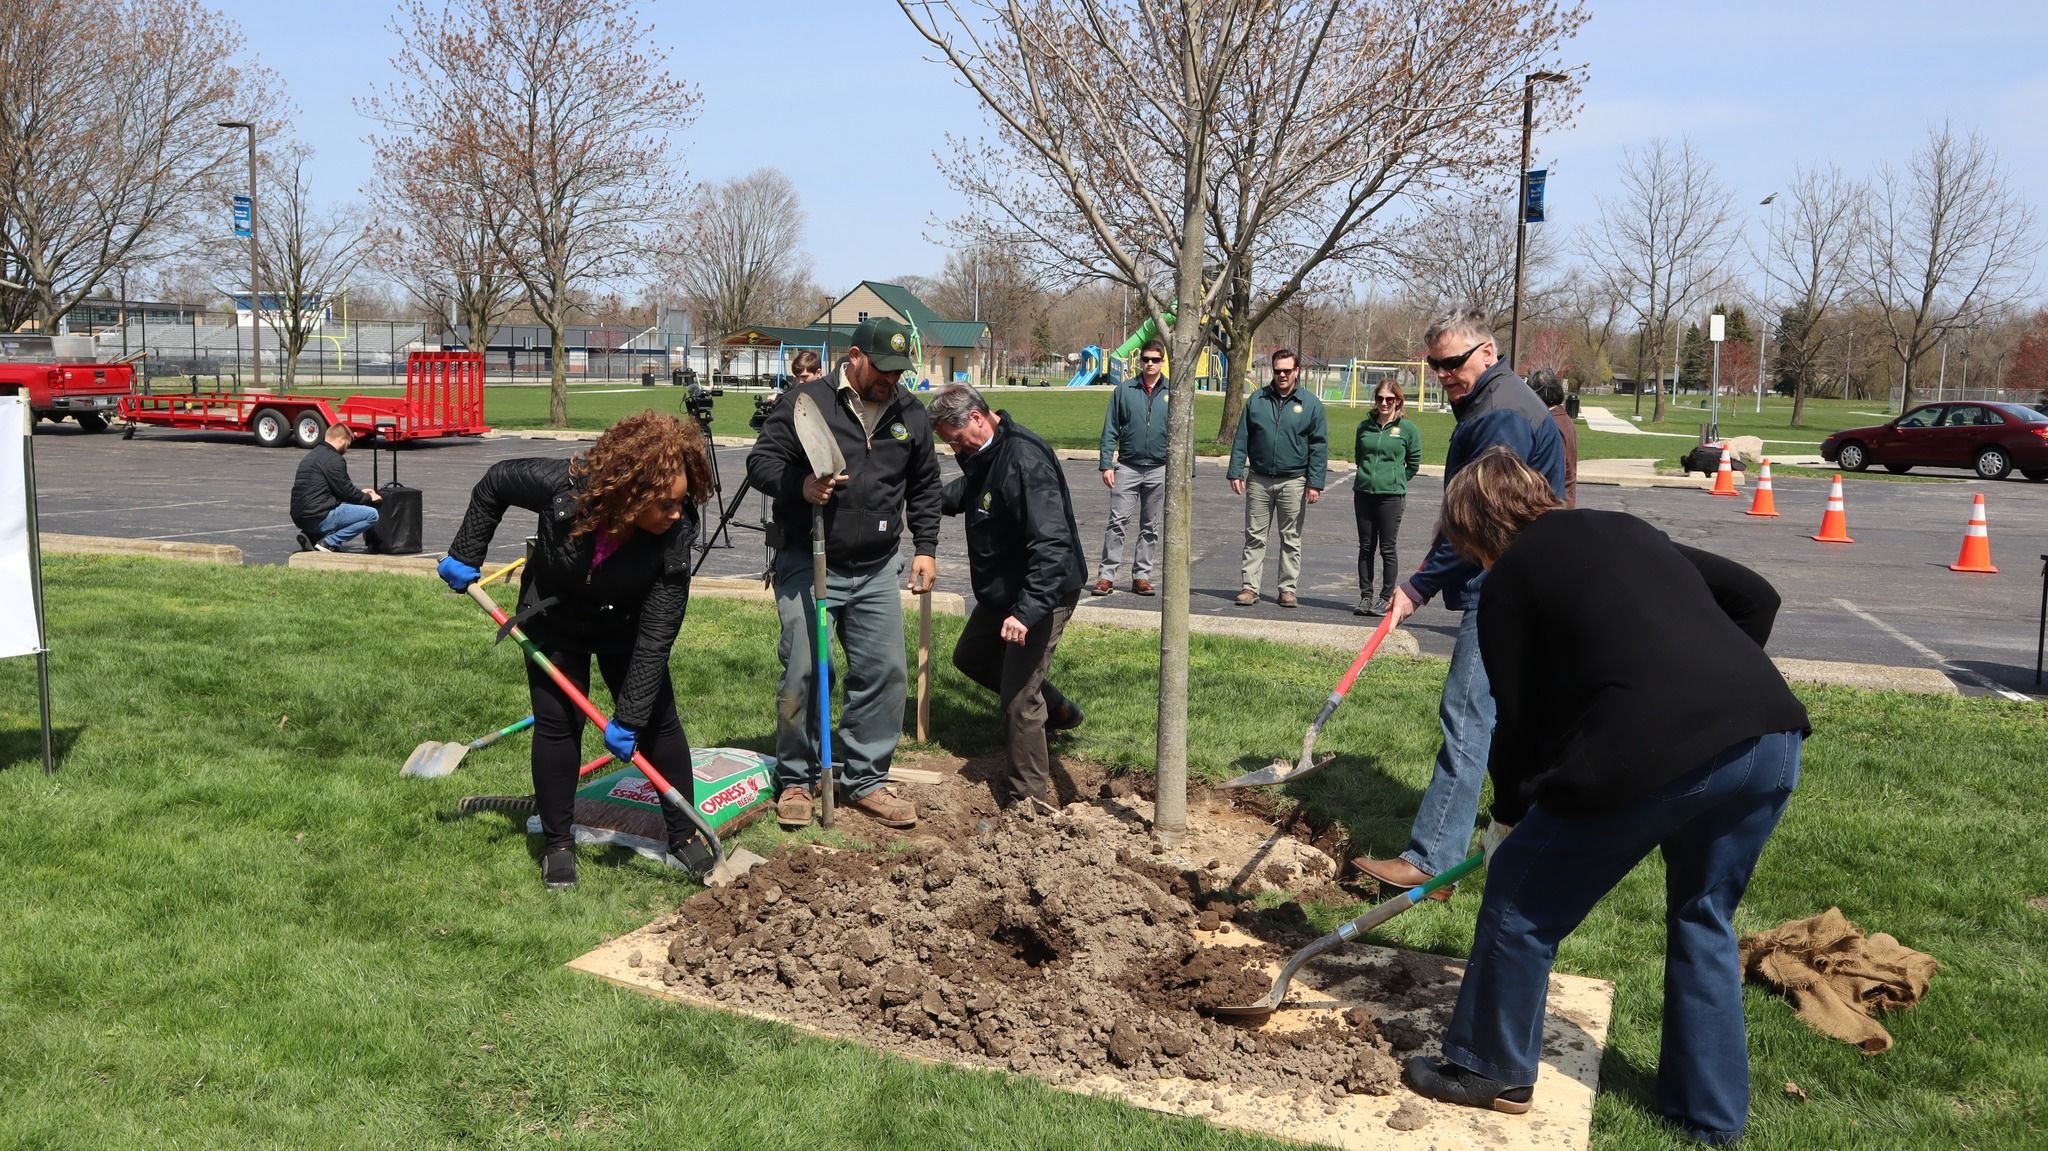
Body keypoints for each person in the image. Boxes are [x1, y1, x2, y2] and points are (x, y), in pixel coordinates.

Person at [1401, 448, 1807, 1147]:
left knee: (1519, 900)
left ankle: (1488, 1067)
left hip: (1658, 751)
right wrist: (1714, 687)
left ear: (1475, 529)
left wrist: (1507, 818)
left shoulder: (1508, 582)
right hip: (1770, 737)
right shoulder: (1627, 529)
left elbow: (1518, 722)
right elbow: (1755, 598)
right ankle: (1706, 1117)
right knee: (1703, 915)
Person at [434, 411, 716, 890]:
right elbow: (497, 481)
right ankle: (558, 844)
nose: (677, 512)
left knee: (658, 724)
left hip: (624, 626)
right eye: (666, 503)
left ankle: (684, 835)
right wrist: (466, 552)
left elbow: (657, 634)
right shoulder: (568, 488)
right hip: (554, 619)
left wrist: (628, 715)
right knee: (558, 725)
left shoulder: (675, 536)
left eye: (681, 501)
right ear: (631, 494)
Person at [1354, 310, 1565, 897]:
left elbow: (1491, 518)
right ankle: (1522, 829)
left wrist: (1418, 584)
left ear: (1488, 352)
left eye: (1454, 362)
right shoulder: (1496, 400)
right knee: (1504, 722)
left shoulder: (1501, 413)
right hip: (1520, 580)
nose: (1444, 374)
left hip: (1505, 586)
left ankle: (1432, 861)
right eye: (1435, 365)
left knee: (1468, 717)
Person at [746, 316, 941, 831]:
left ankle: (865, 779)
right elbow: (761, 462)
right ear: (854, 356)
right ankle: (797, 778)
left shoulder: (909, 412)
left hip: (877, 566)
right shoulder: (805, 403)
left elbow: (924, 485)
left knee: (885, 673)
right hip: (810, 560)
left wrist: (926, 548)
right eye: (883, 368)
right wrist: (801, 485)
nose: (891, 380)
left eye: (900, 371)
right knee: (806, 673)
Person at [930, 384, 1088, 810]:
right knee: (973, 656)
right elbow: (974, 490)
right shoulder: (985, 454)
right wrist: (930, 500)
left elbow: (1053, 546)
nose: (953, 448)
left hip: (1043, 591)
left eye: (956, 438)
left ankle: (1029, 806)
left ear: (978, 418)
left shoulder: (1025, 460)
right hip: (1006, 589)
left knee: (1018, 700)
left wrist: (1027, 611)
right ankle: (1059, 711)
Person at [1226, 348, 1328, 608]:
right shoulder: (1257, 400)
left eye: (1287, 370)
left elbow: (1318, 446)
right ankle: (1250, 587)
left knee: (1291, 537)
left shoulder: (1310, 404)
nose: (1282, 375)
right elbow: (1242, 438)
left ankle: (1287, 589)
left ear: (1297, 371)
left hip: (1293, 481)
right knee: (1254, 536)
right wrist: (1236, 470)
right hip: (1259, 479)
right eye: (1277, 370)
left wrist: (1315, 482)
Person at [1091, 338, 1170, 597]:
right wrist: (1106, 464)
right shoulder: (1124, 390)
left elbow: (1184, 432)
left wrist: (1185, 471)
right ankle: (1106, 576)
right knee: (1117, 522)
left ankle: (1141, 577)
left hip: (1159, 468)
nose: (1150, 364)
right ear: (1140, 361)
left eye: (1155, 359)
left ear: (1162, 361)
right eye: (1146, 359)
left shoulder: (1173, 392)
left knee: (1151, 526)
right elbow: (1110, 429)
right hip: (1127, 466)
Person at [1351, 380, 1422, 616]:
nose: (1384, 403)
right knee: (1366, 547)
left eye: (1389, 399)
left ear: (1398, 401)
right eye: (1380, 398)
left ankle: (1384, 597)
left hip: (1391, 497)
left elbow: (1413, 463)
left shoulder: (1407, 429)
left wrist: (1395, 480)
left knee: (1388, 548)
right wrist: (1368, 476)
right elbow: (1359, 457)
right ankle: (1365, 596)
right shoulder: (1364, 427)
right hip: (1363, 494)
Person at [290, 423, 381, 552]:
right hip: (318, 516)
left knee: (341, 507)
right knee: (371, 515)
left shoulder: (311, 456)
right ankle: (329, 542)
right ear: (341, 440)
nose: (346, 449)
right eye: (347, 445)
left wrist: (360, 492)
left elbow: (332, 490)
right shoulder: (334, 459)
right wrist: (369, 497)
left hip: (300, 517)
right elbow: (346, 493)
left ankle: (311, 535)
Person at [1526, 368, 1577, 508]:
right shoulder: (1564, 419)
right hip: (1564, 500)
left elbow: (1554, 471)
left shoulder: (1551, 424)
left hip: (1554, 503)